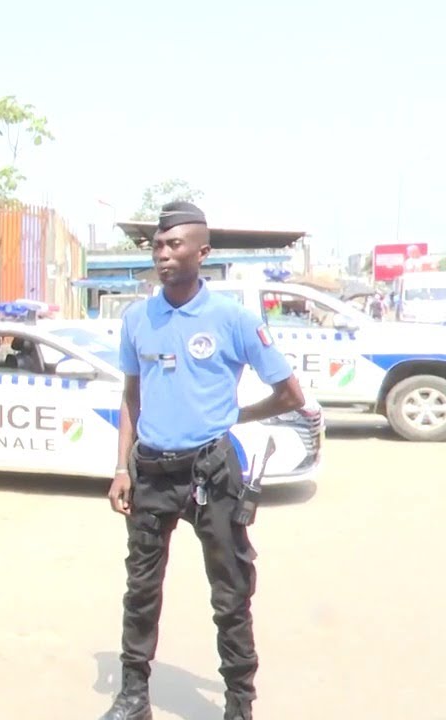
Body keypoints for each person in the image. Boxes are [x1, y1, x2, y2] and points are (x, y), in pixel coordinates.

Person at [98, 202, 305, 720]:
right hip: (151, 471)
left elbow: (290, 394)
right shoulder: (137, 318)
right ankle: (132, 696)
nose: (163, 255)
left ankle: (239, 703)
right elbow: (130, 394)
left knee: (230, 591)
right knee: (141, 588)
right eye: (157, 246)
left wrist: (234, 415)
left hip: (211, 471)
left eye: (174, 245)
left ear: (202, 253)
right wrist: (122, 467)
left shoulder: (232, 319)